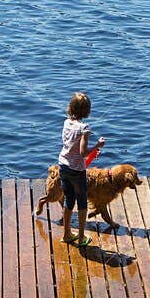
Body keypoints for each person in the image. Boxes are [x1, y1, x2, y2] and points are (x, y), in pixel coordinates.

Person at [58, 92, 104, 246]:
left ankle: (67, 234)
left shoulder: (66, 122)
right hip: (77, 170)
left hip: (63, 165)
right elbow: (83, 152)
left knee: (69, 200)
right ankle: (82, 237)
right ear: (86, 111)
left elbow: (70, 145)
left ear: (71, 107)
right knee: (82, 203)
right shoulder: (84, 128)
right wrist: (97, 145)